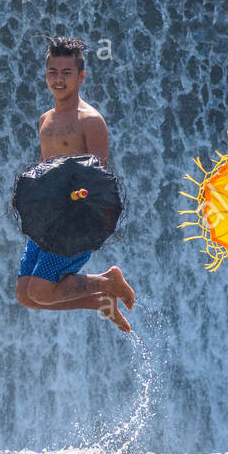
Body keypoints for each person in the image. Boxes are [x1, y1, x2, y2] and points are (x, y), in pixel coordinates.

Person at [14, 37, 135, 332]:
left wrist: (83, 199)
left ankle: (108, 282)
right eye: (52, 72)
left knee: (41, 290)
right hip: (49, 220)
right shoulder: (45, 120)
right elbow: (43, 174)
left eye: (66, 73)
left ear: (81, 77)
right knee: (25, 295)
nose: (58, 79)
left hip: (78, 221)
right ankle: (99, 301)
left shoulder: (90, 120)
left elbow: (102, 179)